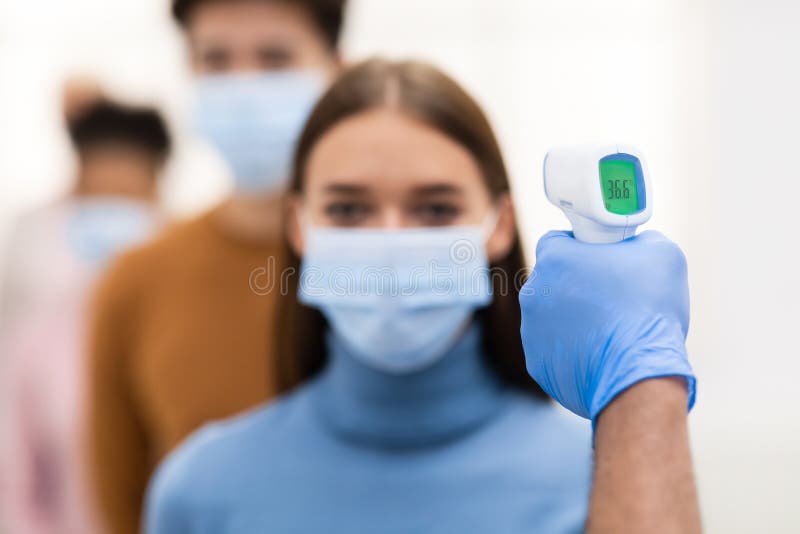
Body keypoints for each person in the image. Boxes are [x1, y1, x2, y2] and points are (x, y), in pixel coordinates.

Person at [144, 59, 596, 534]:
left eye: (437, 209)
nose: (390, 242)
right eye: (348, 209)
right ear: (299, 226)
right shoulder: (201, 491)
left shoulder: (593, 479)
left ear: (500, 225)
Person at [85, 2, 346, 533]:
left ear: (335, 70)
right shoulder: (135, 279)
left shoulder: (395, 269)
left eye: (275, 58)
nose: (243, 85)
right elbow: (120, 504)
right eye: (216, 59)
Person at [0, 97, 170, 534]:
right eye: (94, 196)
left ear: (159, 197)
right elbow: (18, 484)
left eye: (125, 197)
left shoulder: (188, 321)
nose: (108, 212)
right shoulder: (39, 338)